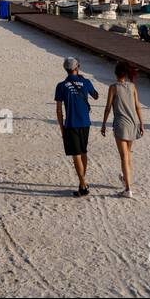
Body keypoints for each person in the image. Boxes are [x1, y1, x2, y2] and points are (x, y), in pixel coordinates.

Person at [54, 57, 99, 197]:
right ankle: (82, 183)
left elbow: (59, 110)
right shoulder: (85, 82)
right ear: (77, 67)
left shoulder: (61, 86)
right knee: (83, 152)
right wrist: (83, 81)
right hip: (85, 122)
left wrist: (62, 127)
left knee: (76, 155)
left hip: (71, 123)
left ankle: (83, 184)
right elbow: (96, 96)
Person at [101, 61, 146, 198]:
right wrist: (141, 123)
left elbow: (108, 107)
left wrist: (103, 123)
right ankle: (125, 178)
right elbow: (138, 106)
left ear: (116, 73)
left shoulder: (113, 87)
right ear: (125, 74)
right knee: (128, 155)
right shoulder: (132, 86)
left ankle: (128, 189)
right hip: (133, 124)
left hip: (121, 125)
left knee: (124, 157)